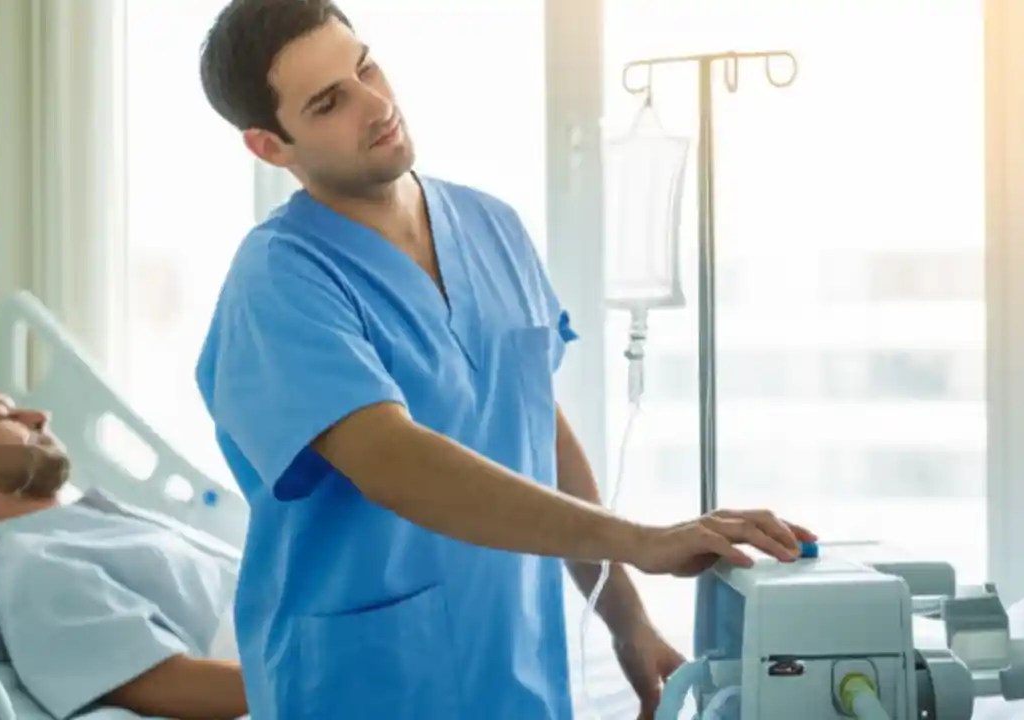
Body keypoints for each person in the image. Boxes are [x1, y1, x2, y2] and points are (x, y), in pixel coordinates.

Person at [194, 2, 817, 718]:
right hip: (358, 686)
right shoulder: (279, 279)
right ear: (270, 147)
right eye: (330, 102)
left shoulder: (492, 226)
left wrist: (624, 615)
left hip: (514, 677)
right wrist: (643, 540)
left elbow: (538, 430)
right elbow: (394, 461)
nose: (376, 104)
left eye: (365, 66)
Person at [0, 376, 248, 720]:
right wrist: (300, 677)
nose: (40, 415)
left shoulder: (88, 527)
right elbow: (165, 683)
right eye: (4, 415)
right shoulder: (35, 565)